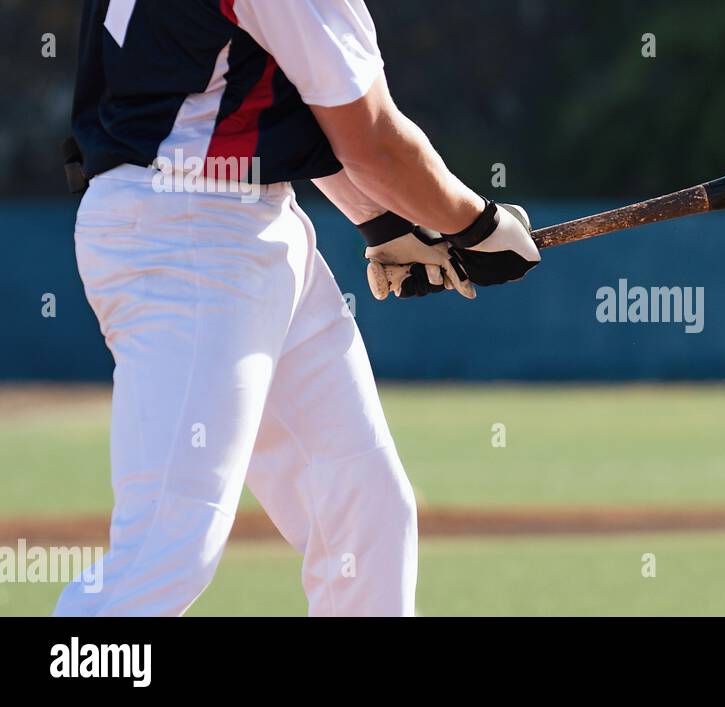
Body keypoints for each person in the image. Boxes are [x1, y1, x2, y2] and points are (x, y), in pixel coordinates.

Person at [57, 0, 538, 616]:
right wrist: (476, 224)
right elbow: (373, 141)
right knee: (168, 547)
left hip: (227, 218)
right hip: (192, 235)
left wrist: (382, 222)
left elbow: (294, 101)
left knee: (365, 513)